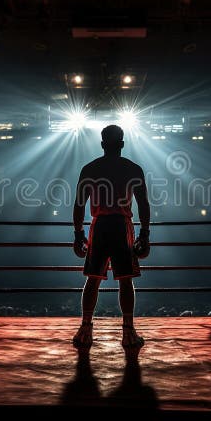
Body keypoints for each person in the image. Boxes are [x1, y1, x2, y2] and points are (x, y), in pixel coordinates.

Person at [72, 124, 150, 349]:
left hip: (99, 225)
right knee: (126, 279)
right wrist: (145, 234)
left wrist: (78, 234)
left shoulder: (90, 169)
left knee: (93, 278)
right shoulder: (133, 169)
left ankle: (86, 329)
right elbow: (143, 204)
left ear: (102, 144)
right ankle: (128, 333)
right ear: (122, 144)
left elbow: (79, 205)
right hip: (121, 224)